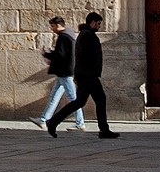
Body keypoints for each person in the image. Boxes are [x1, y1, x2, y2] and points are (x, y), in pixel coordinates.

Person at [46, 11, 119, 139]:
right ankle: (53, 122)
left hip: (88, 74)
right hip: (87, 75)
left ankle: (104, 130)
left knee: (94, 100)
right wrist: (83, 74)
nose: (99, 26)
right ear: (92, 23)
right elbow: (83, 56)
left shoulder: (86, 34)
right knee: (82, 102)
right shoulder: (87, 36)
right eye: (98, 23)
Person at [38, 17, 83, 131]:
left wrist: (47, 54)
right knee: (54, 96)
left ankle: (80, 123)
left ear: (57, 25)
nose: (52, 29)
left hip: (64, 72)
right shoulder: (69, 35)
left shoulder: (63, 37)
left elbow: (60, 55)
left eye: (52, 26)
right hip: (64, 72)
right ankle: (43, 119)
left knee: (73, 99)